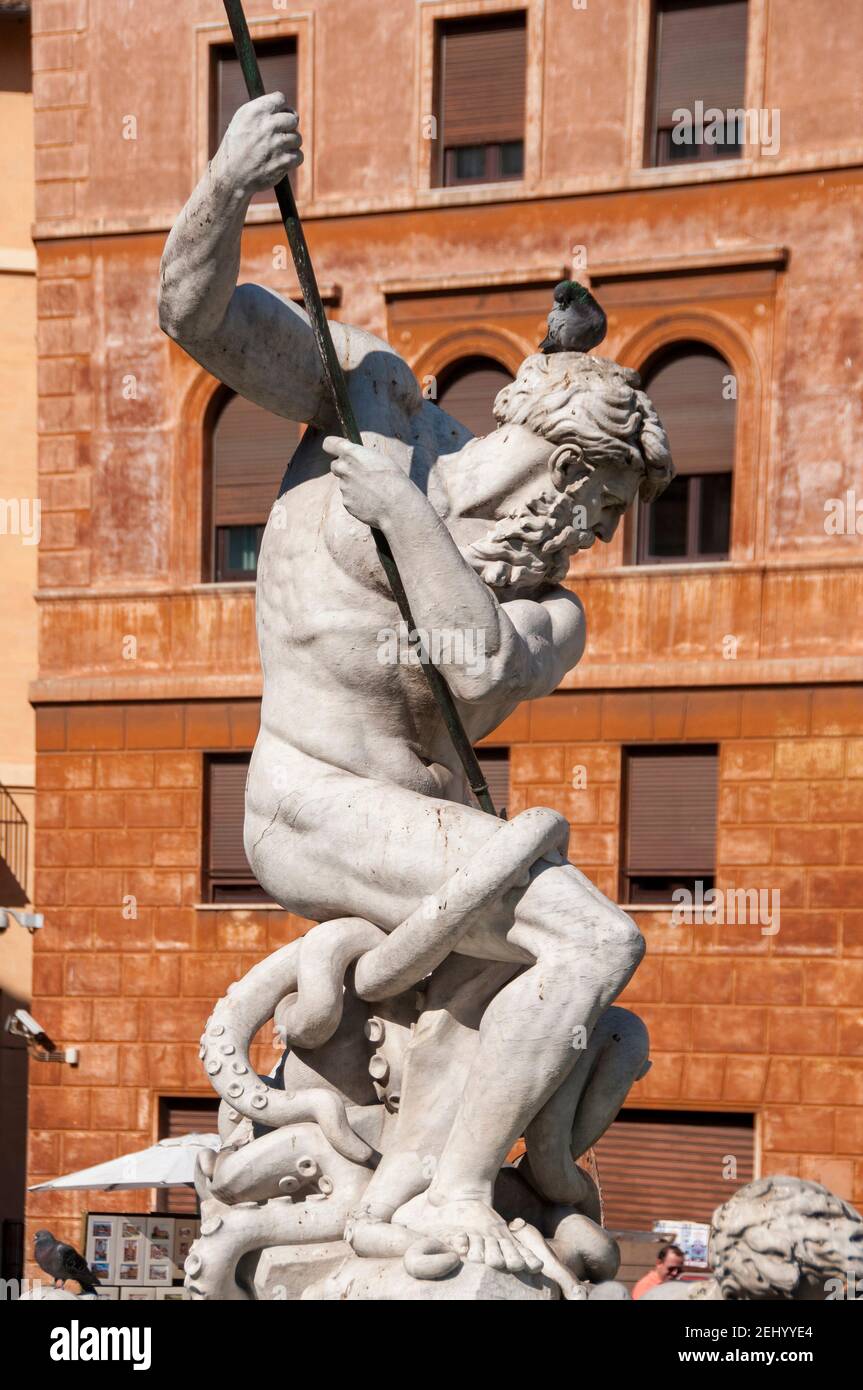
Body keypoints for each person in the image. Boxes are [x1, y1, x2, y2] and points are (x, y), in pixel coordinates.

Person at [159, 93, 672, 1275]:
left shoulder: (550, 611)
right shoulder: (374, 397)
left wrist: (402, 519)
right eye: (598, 504)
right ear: (560, 465)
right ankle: (450, 1196)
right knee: (594, 936)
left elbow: (472, 659)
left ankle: (463, 1175)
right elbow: (194, 314)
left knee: (589, 991)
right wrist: (228, 183)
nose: (593, 536)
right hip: (308, 798)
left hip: (424, 829)